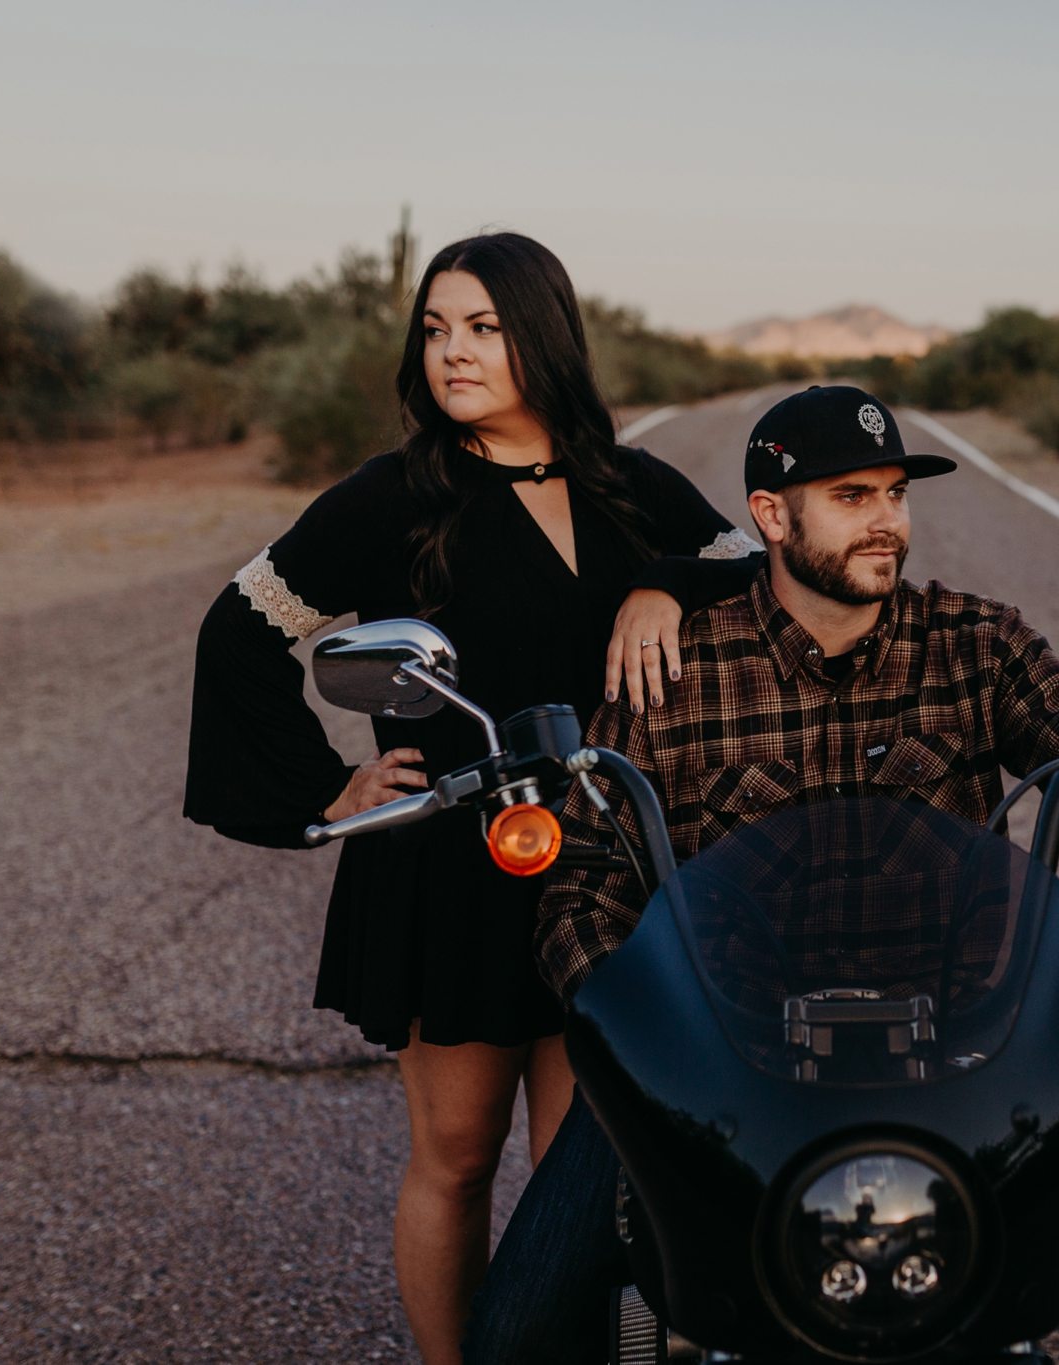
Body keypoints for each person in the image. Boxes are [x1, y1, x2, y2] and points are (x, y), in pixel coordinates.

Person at [465, 386, 1059, 1364]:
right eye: (851, 496)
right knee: (514, 1339)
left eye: (896, 494)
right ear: (771, 515)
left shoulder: (975, 643)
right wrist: (649, 1042)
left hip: (962, 1066)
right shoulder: (675, 668)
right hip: (718, 1072)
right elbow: (581, 891)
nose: (886, 521)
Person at [182, 233, 762, 1365]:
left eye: (484, 328)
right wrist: (330, 783)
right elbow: (238, 631)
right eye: (437, 328)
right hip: (453, 863)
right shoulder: (391, 498)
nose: (453, 352)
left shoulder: (631, 486)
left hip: (613, 871)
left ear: (543, 336)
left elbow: (759, 579)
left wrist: (663, 584)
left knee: (588, 1170)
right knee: (456, 1155)